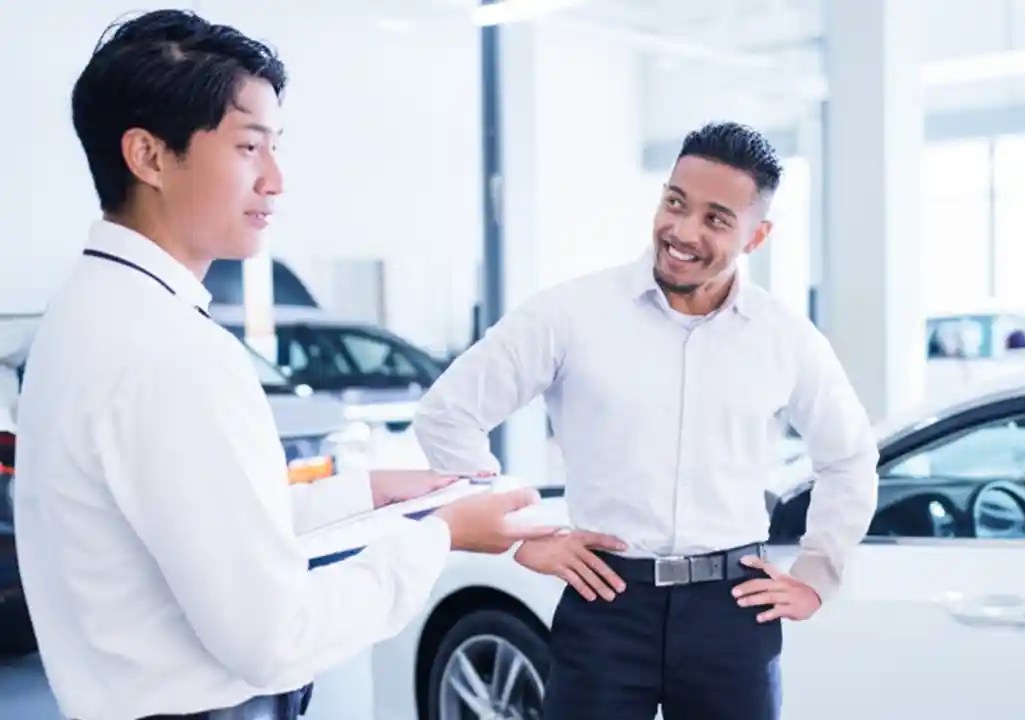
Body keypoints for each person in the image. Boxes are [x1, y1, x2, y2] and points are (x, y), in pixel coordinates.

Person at [13, 10, 552, 720]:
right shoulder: (169, 350)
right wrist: (441, 539)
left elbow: (199, 527)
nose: (276, 180)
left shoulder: (87, 315)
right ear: (148, 156)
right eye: (248, 148)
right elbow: (274, 637)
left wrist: (368, 492)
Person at [414, 122, 880, 720]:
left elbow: (850, 457)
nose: (682, 232)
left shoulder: (785, 337)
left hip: (731, 609)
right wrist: (522, 535)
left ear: (756, 236)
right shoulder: (571, 313)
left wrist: (818, 574)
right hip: (605, 600)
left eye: (715, 219)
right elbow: (448, 416)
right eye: (675, 203)